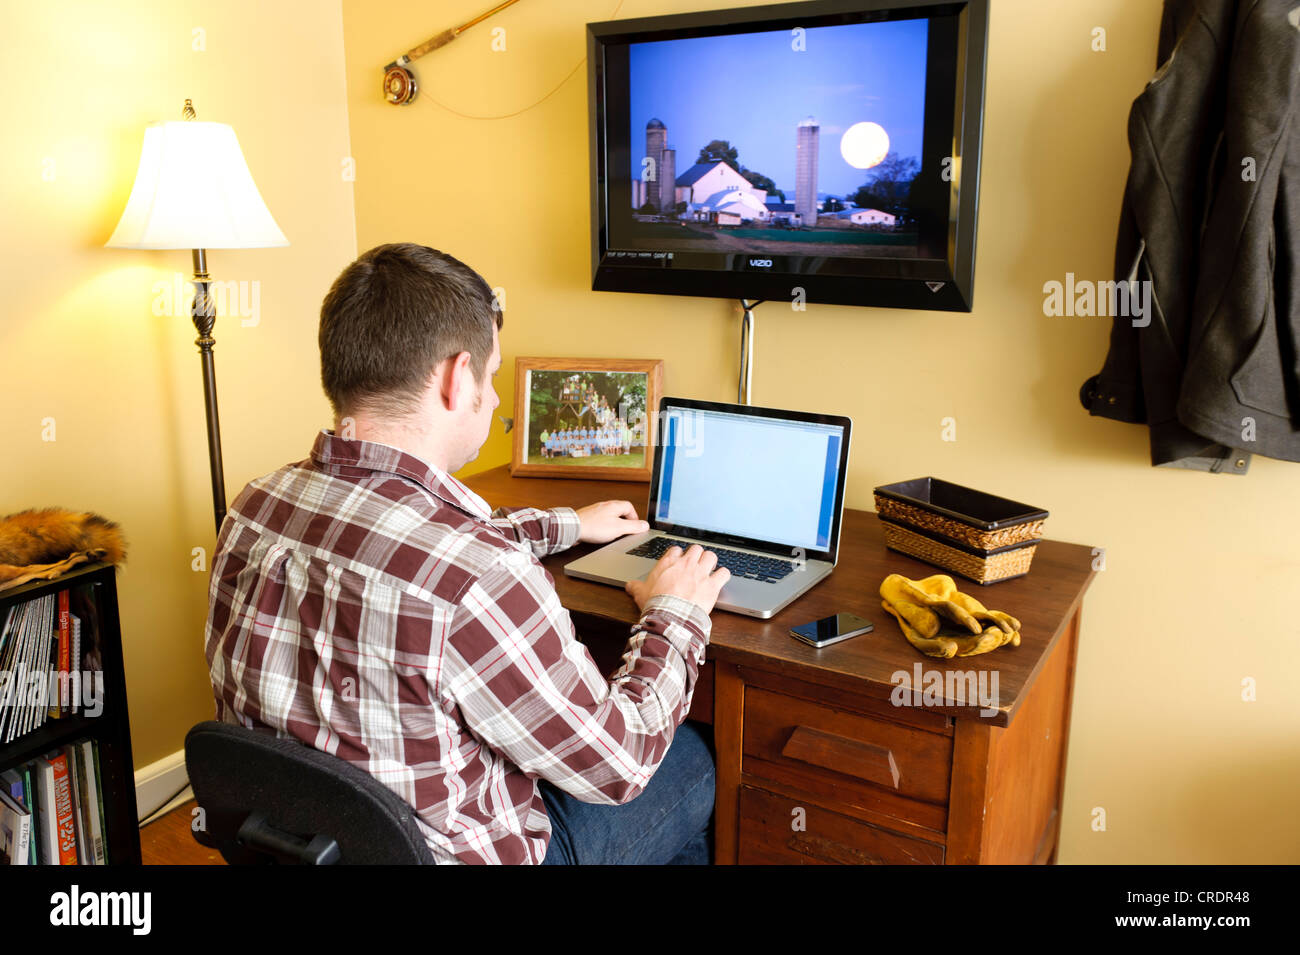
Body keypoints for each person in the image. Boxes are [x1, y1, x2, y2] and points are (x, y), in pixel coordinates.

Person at [205, 243, 729, 865]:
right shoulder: (480, 576)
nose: (498, 399)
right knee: (691, 757)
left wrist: (562, 525)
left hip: (323, 842)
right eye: (491, 375)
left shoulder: (255, 506)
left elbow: (398, 539)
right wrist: (673, 615)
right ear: (457, 378)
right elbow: (618, 765)